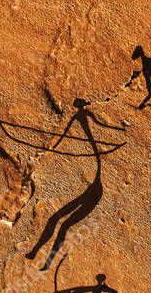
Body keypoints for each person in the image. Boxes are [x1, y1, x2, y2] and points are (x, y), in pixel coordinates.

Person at [23, 98, 125, 270]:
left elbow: (99, 125)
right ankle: (35, 251)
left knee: (64, 225)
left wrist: (118, 132)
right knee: (54, 219)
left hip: (95, 191)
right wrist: (53, 146)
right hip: (92, 187)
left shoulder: (84, 116)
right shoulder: (80, 116)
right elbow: (67, 133)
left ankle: (47, 262)